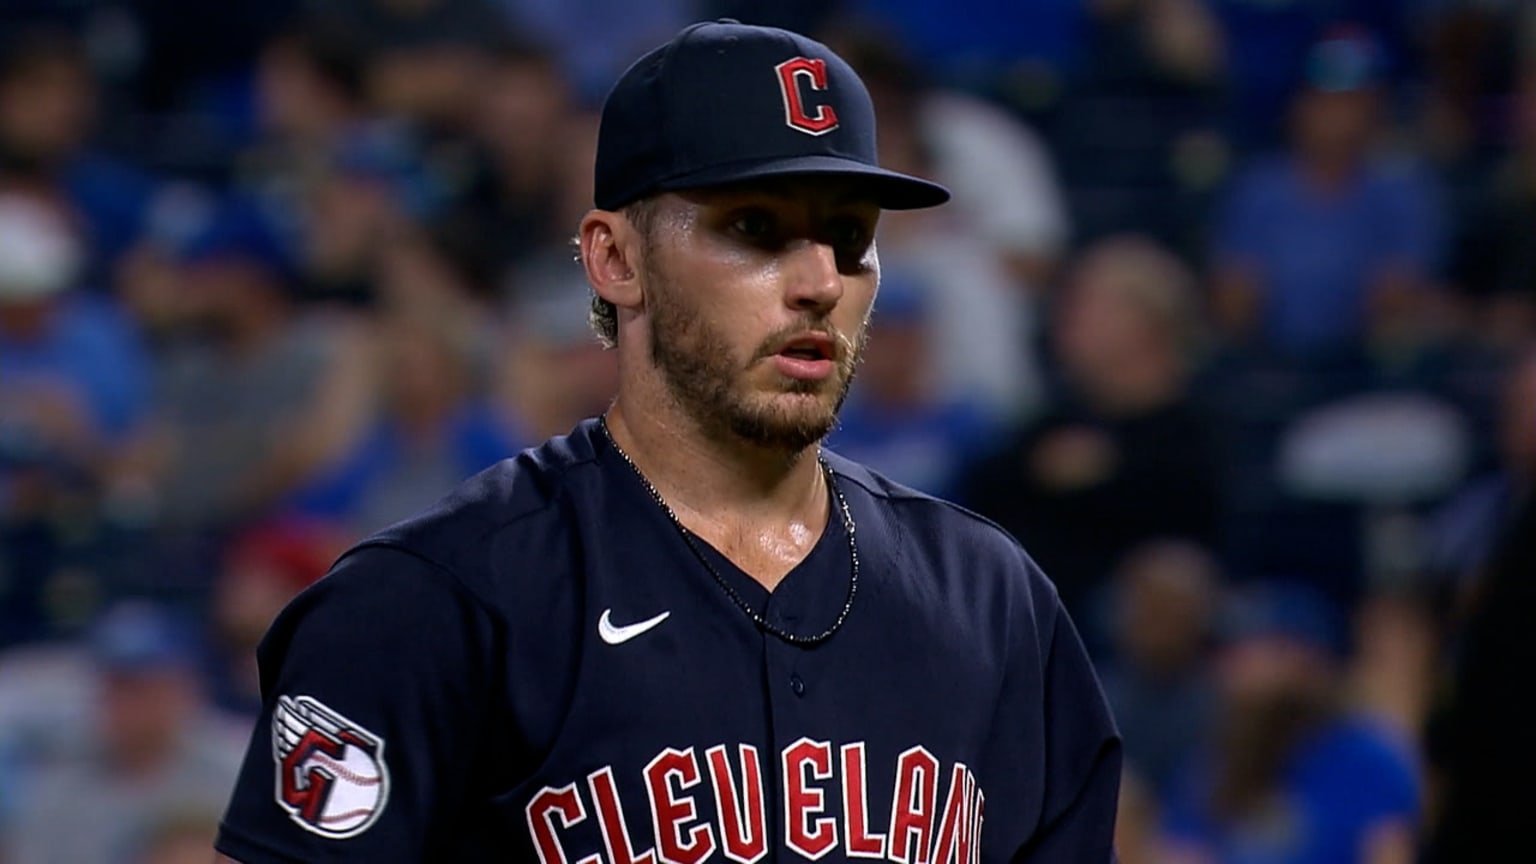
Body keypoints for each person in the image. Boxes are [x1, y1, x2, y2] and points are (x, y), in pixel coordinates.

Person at [214, 20, 1121, 863]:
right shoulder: (431, 604)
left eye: (849, 238)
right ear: (616, 260)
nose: (817, 282)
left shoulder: (993, 600)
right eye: (753, 229)